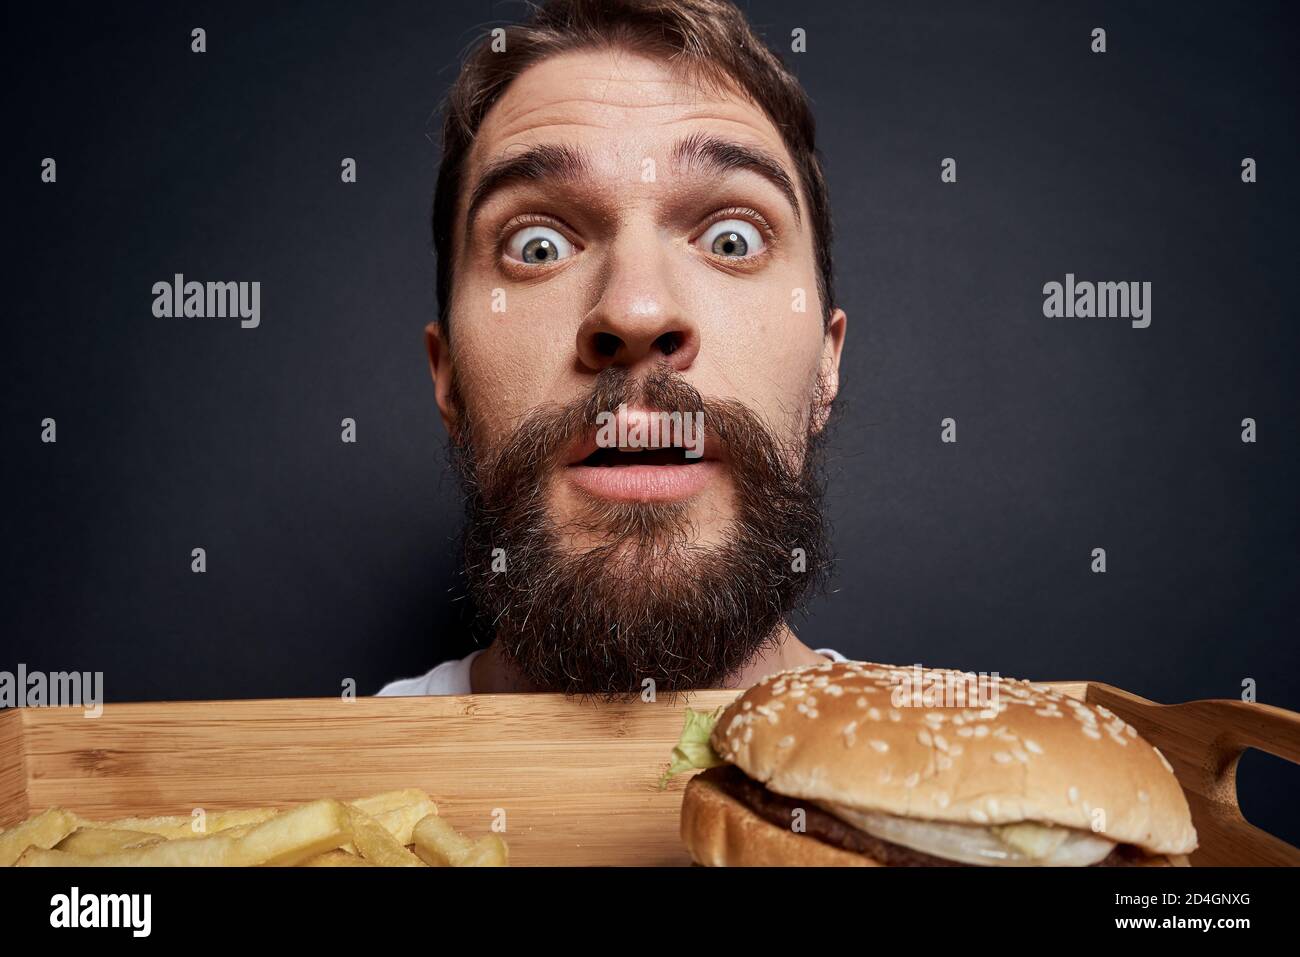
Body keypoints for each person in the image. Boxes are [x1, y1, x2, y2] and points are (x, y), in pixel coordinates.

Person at [380, 0, 849, 698]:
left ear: (826, 363)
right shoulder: (317, 793)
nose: (635, 311)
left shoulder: (968, 787)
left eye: (732, 239)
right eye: (537, 246)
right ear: (447, 377)